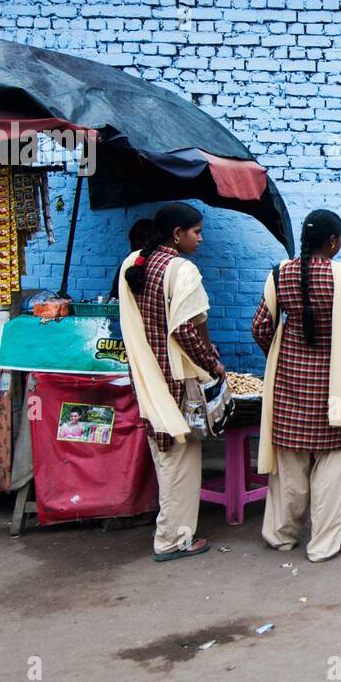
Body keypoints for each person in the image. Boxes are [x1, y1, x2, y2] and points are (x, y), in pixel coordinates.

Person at [253, 210, 341, 563]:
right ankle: (323, 544)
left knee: (289, 469)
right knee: (331, 471)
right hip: (335, 389)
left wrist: (283, 354)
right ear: (334, 241)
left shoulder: (280, 273)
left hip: (289, 384)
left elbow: (261, 327)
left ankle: (281, 535)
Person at [118, 202, 224, 562]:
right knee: (181, 461)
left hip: (148, 378)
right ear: (177, 234)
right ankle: (173, 539)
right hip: (176, 380)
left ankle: (169, 529)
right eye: (196, 231)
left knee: (164, 456)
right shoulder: (182, 270)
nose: (201, 238)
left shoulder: (134, 264)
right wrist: (212, 364)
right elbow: (186, 330)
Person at [109, 218, 157, 300]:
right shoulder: (161, 266)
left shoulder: (126, 265)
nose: (144, 242)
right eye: (140, 238)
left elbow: (114, 297)